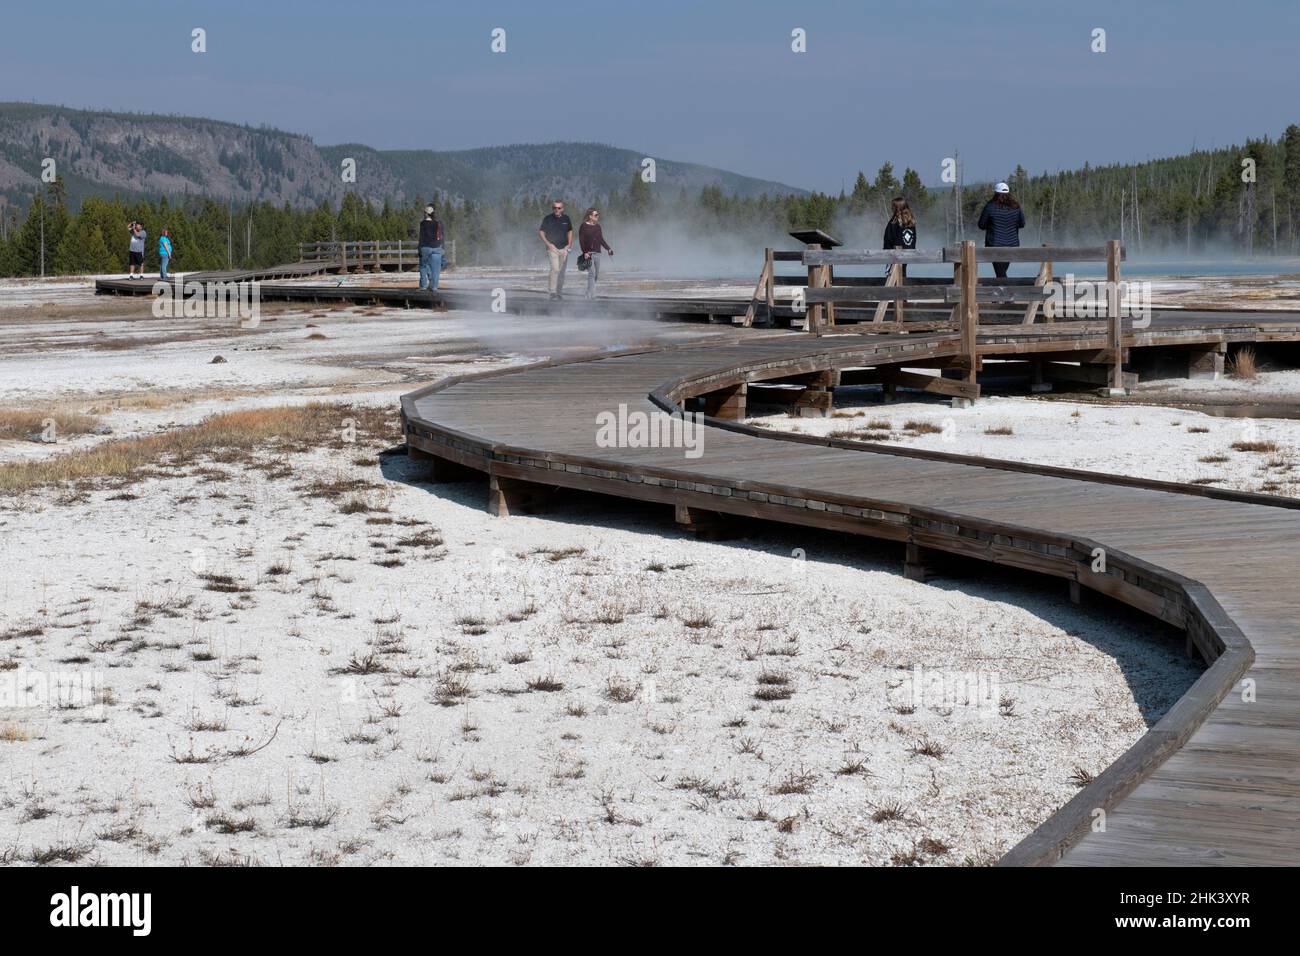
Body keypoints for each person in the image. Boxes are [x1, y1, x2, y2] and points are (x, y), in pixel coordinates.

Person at [977, 182, 1025, 278]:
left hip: (995, 245)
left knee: (1000, 273)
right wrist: (1010, 225)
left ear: (996, 193)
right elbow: (1022, 224)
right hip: (1012, 245)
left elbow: (981, 225)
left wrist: (991, 225)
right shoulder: (1015, 207)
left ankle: (1006, 290)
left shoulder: (990, 207)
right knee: (1001, 272)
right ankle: (1004, 289)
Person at [538, 200, 573, 299]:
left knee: (561, 271)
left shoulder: (566, 218)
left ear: (562, 209)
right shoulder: (548, 219)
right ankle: (552, 292)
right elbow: (541, 232)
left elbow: (570, 231)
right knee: (555, 269)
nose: (556, 210)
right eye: (554, 208)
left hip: (564, 249)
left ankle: (559, 292)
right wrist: (548, 244)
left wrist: (569, 245)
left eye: (559, 208)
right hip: (552, 248)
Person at [577, 207, 613, 299]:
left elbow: (601, 239)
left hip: (597, 253)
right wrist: (585, 252)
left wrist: (608, 249)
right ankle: (593, 296)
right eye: (596, 215)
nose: (598, 216)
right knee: (591, 274)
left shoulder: (598, 227)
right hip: (589, 254)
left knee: (596, 275)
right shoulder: (583, 226)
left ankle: (587, 293)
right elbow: (581, 241)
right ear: (590, 216)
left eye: (598, 214)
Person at [882, 197, 917, 277]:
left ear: (897, 208)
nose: (891, 208)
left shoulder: (893, 223)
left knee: (891, 277)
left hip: (894, 256)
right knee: (902, 276)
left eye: (893, 206)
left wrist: (885, 254)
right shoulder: (911, 222)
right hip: (907, 255)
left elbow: (888, 239)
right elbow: (913, 240)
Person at [417, 204, 444, 291]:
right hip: (437, 247)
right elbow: (441, 235)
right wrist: (442, 247)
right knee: (436, 269)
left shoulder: (423, 223)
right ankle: (434, 287)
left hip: (425, 247)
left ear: (426, 213)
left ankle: (423, 285)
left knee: (423, 266)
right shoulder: (438, 223)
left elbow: (421, 237)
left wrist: (419, 248)